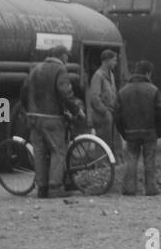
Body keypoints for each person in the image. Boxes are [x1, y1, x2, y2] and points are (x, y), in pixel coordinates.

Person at [20, 44, 83, 198]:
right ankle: (55, 187)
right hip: (52, 118)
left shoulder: (36, 69)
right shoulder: (60, 70)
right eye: (66, 55)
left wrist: (27, 109)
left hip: (34, 118)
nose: (68, 58)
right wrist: (76, 110)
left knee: (39, 153)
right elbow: (65, 93)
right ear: (62, 56)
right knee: (58, 151)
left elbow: (24, 91)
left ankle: (42, 188)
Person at [116, 60, 161, 196]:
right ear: (148, 73)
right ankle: (150, 189)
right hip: (150, 133)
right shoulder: (154, 90)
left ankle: (129, 189)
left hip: (131, 133)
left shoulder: (123, 91)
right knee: (149, 160)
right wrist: (160, 131)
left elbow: (117, 114)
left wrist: (123, 132)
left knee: (131, 159)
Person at [86, 49, 120, 158]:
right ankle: (101, 169)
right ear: (107, 60)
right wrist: (105, 112)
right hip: (102, 115)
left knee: (112, 144)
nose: (116, 63)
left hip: (110, 113)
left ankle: (110, 168)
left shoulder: (111, 75)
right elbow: (94, 98)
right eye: (114, 60)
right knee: (103, 145)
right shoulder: (98, 76)